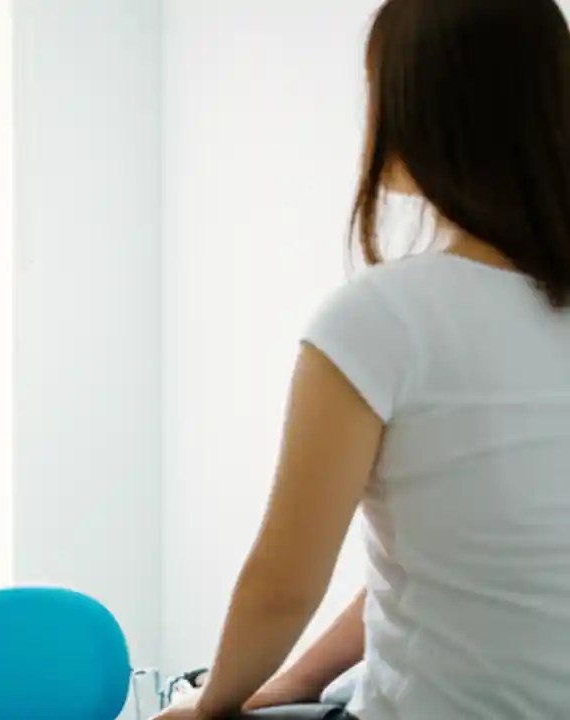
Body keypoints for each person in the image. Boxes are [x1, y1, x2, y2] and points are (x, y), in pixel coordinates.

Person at [154, 0, 570, 717]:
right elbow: (443, 562)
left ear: (421, 110)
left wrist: (209, 705)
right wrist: (294, 682)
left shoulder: (381, 318)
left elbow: (283, 584)